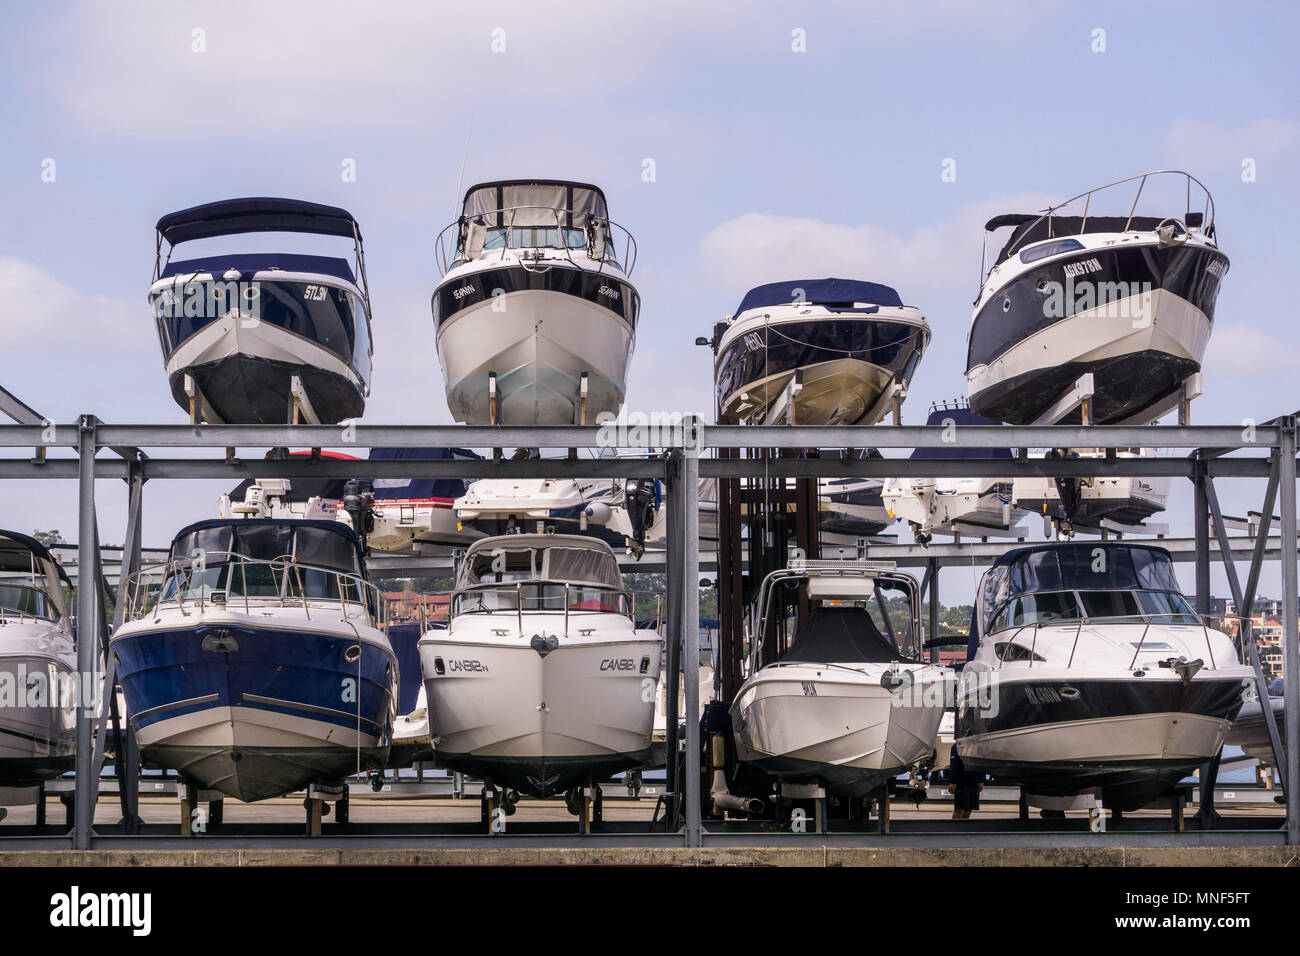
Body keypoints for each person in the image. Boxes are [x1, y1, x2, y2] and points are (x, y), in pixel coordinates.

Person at [948, 746, 984, 820]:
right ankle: (954, 830)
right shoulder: (957, 746)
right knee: (960, 809)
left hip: (974, 780)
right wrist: (953, 782)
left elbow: (980, 763)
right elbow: (954, 764)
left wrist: (981, 780)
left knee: (969, 809)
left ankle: (963, 829)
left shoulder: (978, 745)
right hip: (962, 782)